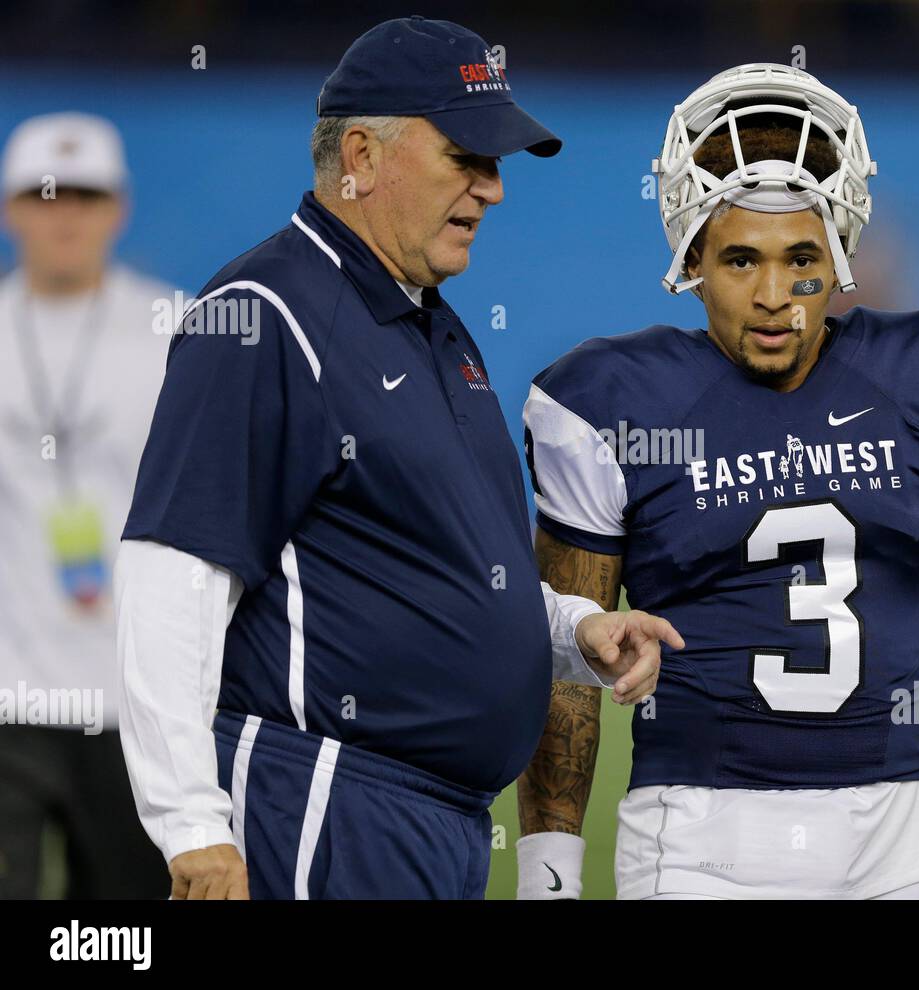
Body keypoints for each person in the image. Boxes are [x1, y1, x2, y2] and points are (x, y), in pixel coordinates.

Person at [516, 63, 919, 900]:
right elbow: (567, 671)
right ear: (693, 257)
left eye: (802, 259)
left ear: (840, 252)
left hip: (895, 838)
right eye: (741, 260)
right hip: (699, 842)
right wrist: (547, 877)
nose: (776, 295)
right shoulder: (613, 404)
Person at [114, 16, 680, 901]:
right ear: (362, 158)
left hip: (430, 825)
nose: (492, 190)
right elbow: (172, 571)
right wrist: (189, 823)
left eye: (495, 166)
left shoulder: (432, 327)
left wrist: (572, 633)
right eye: (467, 157)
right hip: (323, 808)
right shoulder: (266, 317)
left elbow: (435, 568)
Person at [0, 111, 173, 898]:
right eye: (44, 194)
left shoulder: (177, 331)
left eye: (84, 194)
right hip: (8, 695)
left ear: (119, 208)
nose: (62, 212)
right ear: (11, 209)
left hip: (134, 700)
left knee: (120, 933)